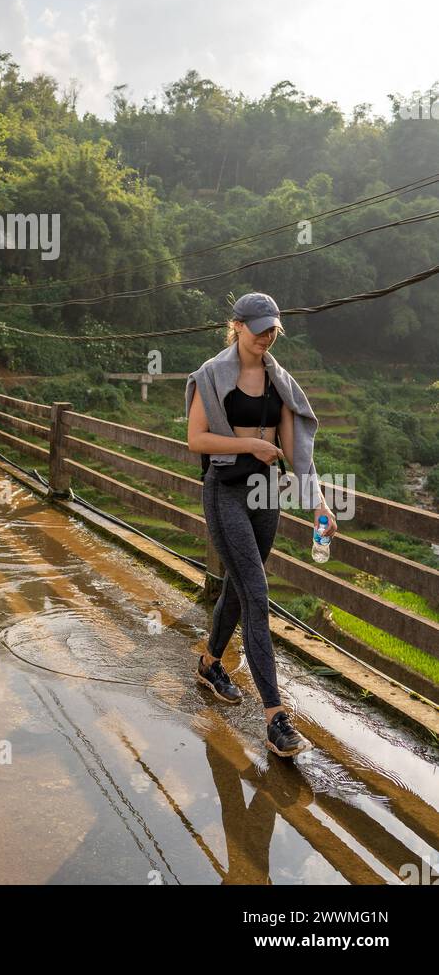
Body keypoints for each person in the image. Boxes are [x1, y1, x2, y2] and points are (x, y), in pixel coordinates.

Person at [185, 292, 337, 759]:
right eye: (258, 328)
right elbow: (196, 440)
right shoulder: (212, 375)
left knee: (237, 587)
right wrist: (251, 447)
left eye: (272, 329)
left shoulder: (280, 382)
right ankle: (275, 718)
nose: (266, 337)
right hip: (226, 489)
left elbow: (296, 453)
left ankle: (210, 663)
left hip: (265, 495)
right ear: (237, 326)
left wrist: (320, 504)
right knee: (256, 592)